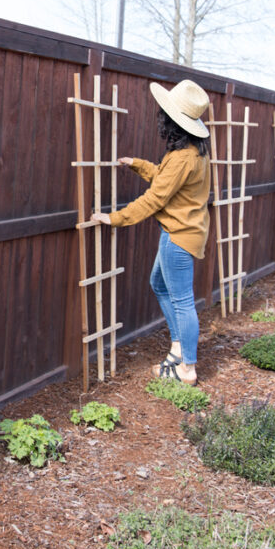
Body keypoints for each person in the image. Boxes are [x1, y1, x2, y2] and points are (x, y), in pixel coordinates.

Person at [91, 79, 211, 386]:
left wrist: (114, 218)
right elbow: (166, 178)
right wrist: (139, 165)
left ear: (172, 122)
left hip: (177, 236)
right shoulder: (192, 152)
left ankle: (187, 367)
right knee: (159, 283)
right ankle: (179, 349)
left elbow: (156, 197)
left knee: (182, 300)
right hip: (186, 231)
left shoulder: (183, 156)